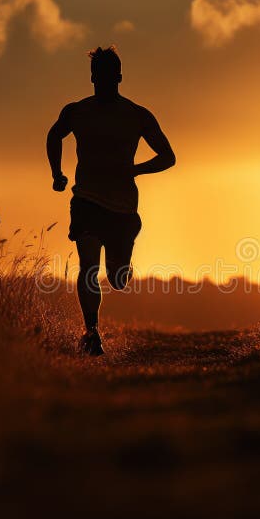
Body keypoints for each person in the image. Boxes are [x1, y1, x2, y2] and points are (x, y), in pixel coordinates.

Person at [46, 46, 176, 356]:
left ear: (119, 77)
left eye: (108, 77)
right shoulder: (77, 111)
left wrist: (133, 169)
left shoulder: (137, 115)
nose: (103, 82)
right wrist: (57, 173)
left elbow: (168, 157)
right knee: (88, 265)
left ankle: (123, 266)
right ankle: (92, 333)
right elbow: (54, 136)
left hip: (123, 207)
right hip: (86, 199)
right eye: (97, 77)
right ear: (92, 77)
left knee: (118, 279)